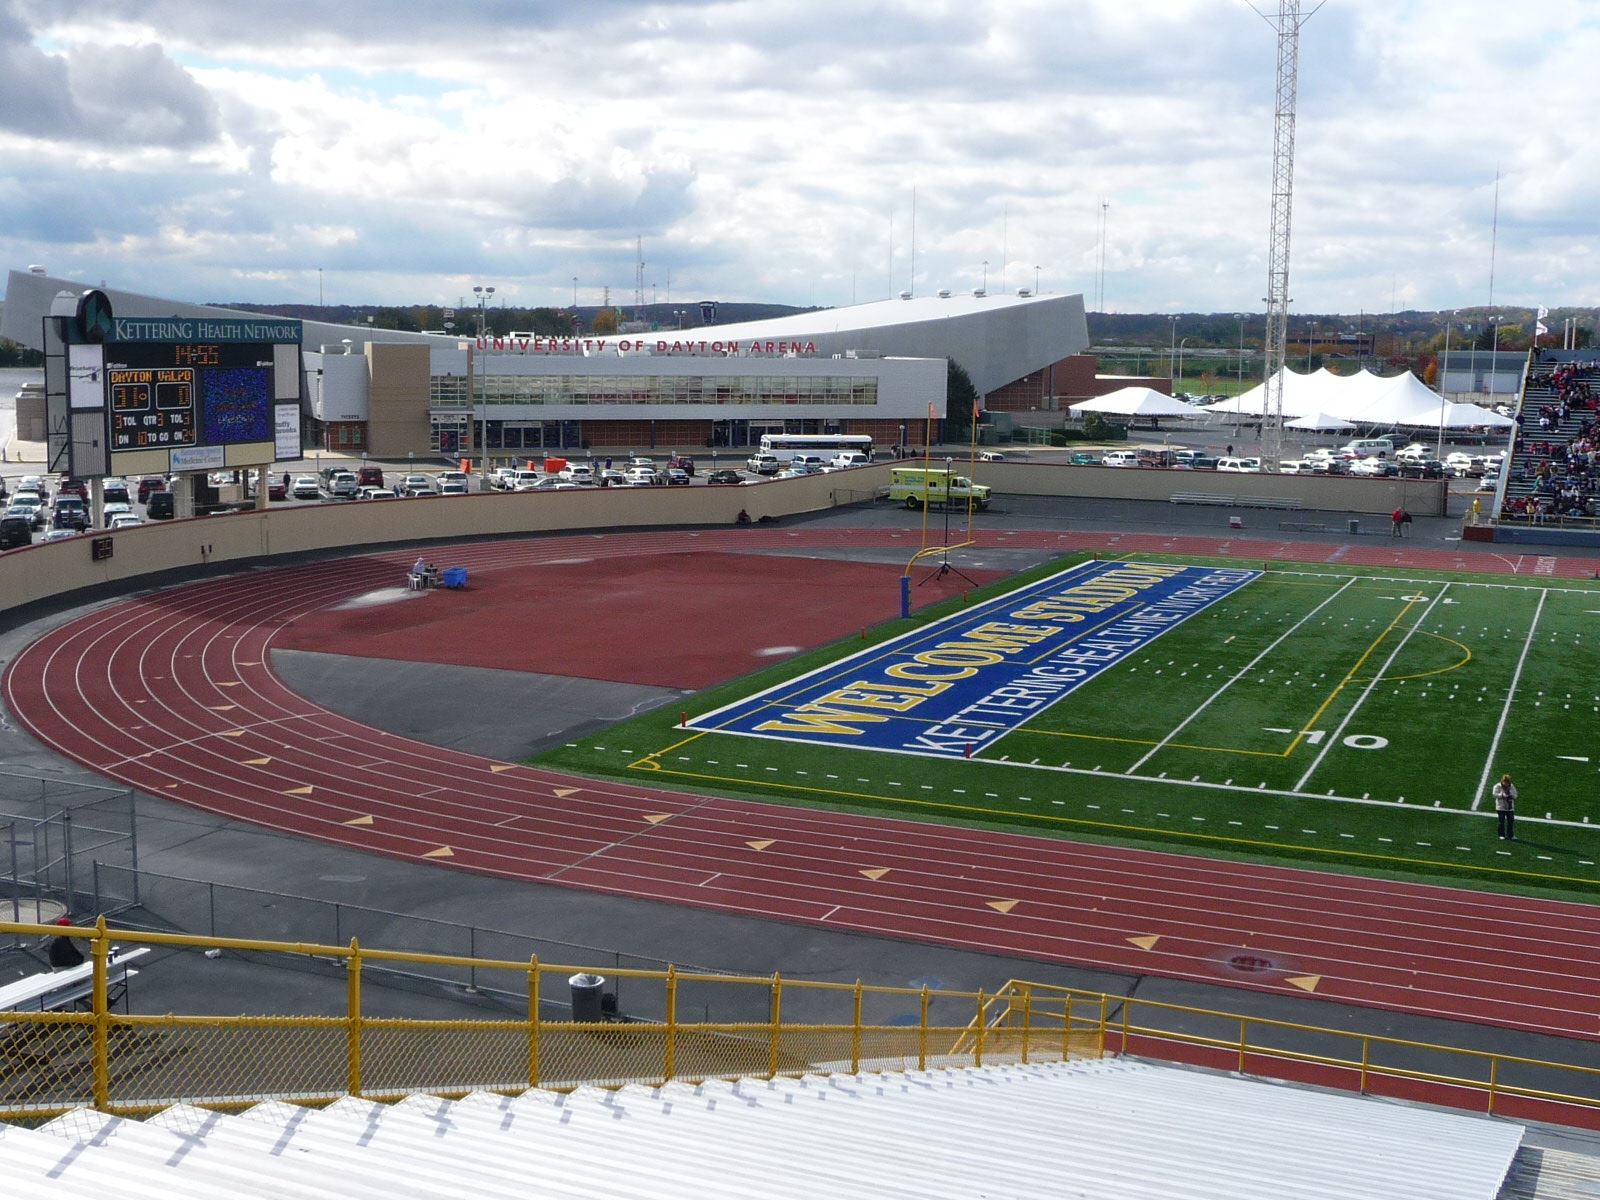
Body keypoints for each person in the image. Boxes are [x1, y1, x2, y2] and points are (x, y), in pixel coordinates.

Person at [1492, 773, 1517, 840]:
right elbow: (1494, 794)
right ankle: (1501, 834)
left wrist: (1511, 795)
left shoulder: (1511, 786)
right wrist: (1502, 795)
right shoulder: (1497, 786)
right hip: (1501, 807)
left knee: (1511, 822)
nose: (1506, 784)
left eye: (1507, 783)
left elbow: (1515, 795)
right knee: (1501, 822)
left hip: (1510, 807)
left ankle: (1510, 835)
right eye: (1505, 782)